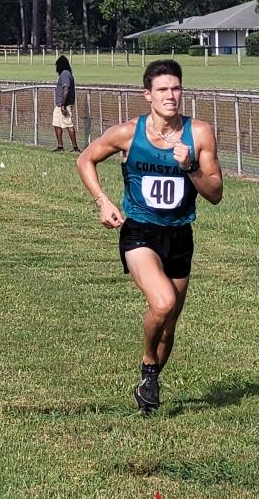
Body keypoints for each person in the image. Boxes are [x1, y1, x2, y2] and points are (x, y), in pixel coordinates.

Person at [76, 59, 223, 414]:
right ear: (147, 95)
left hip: (179, 235)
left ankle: (150, 382)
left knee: (169, 328)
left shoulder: (199, 133)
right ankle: (147, 363)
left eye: (176, 88)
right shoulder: (129, 133)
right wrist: (102, 201)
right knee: (163, 303)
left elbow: (216, 193)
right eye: (162, 89)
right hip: (140, 231)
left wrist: (190, 167)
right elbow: (85, 159)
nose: (170, 95)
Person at [53, 54, 80, 151]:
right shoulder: (66, 74)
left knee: (69, 124)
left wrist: (63, 105)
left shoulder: (65, 74)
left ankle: (75, 147)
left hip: (64, 105)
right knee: (57, 124)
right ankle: (60, 146)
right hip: (60, 105)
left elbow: (66, 89)